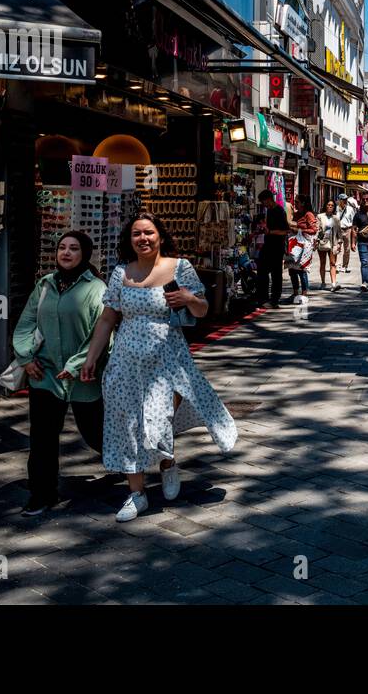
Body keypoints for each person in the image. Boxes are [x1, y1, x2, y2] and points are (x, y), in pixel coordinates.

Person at [82, 213, 238, 522]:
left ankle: (167, 463)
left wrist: (189, 297)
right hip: (125, 360)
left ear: (160, 237)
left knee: (158, 419)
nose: (143, 238)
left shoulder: (180, 268)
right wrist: (92, 357)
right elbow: (108, 318)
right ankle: (136, 493)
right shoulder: (119, 273)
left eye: (149, 233)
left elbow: (203, 309)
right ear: (130, 240)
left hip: (166, 359)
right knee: (126, 425)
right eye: (136, 233)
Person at [12, 230, 107, 516]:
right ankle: (42, 493)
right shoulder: (44, 285)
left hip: (84, 375)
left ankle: (132, 464)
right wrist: (26, 357)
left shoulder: (96, 289)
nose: (66, 253)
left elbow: (100, 333)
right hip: (46, 373)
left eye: (74, 248)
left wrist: (77, 365)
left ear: (85, 254)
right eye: (62, 248)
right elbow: (26, 323)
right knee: (42, 437)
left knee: (96, 433)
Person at [255, 190, 290, 308]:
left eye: (263, 201)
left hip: (276, 247)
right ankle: (263, 297)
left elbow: (285, 230)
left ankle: (274, 299)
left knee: (276, 273)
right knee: (262, 270)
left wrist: (270, 231)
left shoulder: (279, 211)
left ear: (268, 199)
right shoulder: (269, 211)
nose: (263, 204)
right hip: (268, 244)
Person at [288, 194, 319, 301]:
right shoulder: (296, 214)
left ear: (303, 203)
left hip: (305, 245)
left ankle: (304, 293)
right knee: (291, 269)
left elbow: (314, 230)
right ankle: (295, 292)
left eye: (297, 202)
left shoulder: (308, 214)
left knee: (301, 269)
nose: (295, 204)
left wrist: (300, 230)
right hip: (295, 244)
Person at [317, 199, 342, 292]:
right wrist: (317, 240)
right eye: (328, 205)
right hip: (323, 242)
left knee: (333, 263)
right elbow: (317, 229)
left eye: (332, 205)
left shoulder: (336, 218)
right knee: (322, 263)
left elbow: (339, 231)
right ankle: (323, 282)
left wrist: (340, 242)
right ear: (325, 206)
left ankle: (333, 283)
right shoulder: (320, 216)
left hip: (333, 243)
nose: (330, 207)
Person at [337, 192, 357, 274]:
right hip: (339, 229)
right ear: (339, 200)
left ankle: (345, 266)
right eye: (343, 200)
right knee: (338, 248)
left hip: (348, 229)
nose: (345, 201)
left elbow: (353, 222)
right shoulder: (336, 209)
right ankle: (338, 265)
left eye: (346, 200)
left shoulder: (350, 209)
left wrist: (354, 234)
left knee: (347, 249)